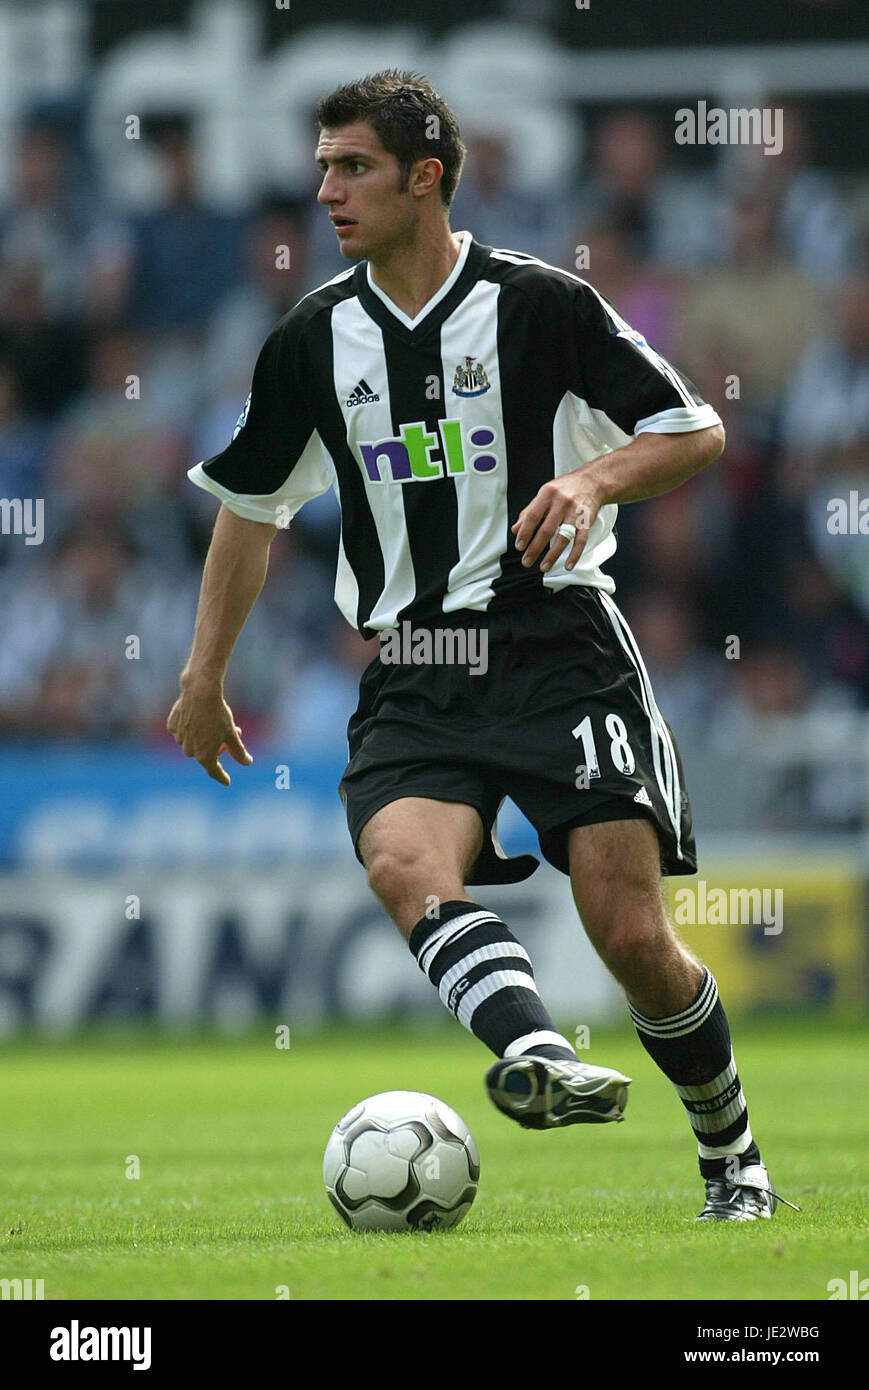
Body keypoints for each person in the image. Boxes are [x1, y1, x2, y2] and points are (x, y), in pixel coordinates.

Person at [168, 69, 785, 1222]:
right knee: (404, 865)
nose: (327, 191)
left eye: (352, 167)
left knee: (629, 933)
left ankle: (731, 1159)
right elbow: (249, 508)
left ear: (425, 177)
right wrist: (203, 674)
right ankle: (534, 1052)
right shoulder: (312, 341)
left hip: (559, 644)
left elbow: (692, 427)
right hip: (412, 663)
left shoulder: (542, 304)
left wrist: (592, 475)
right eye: (321, 168)